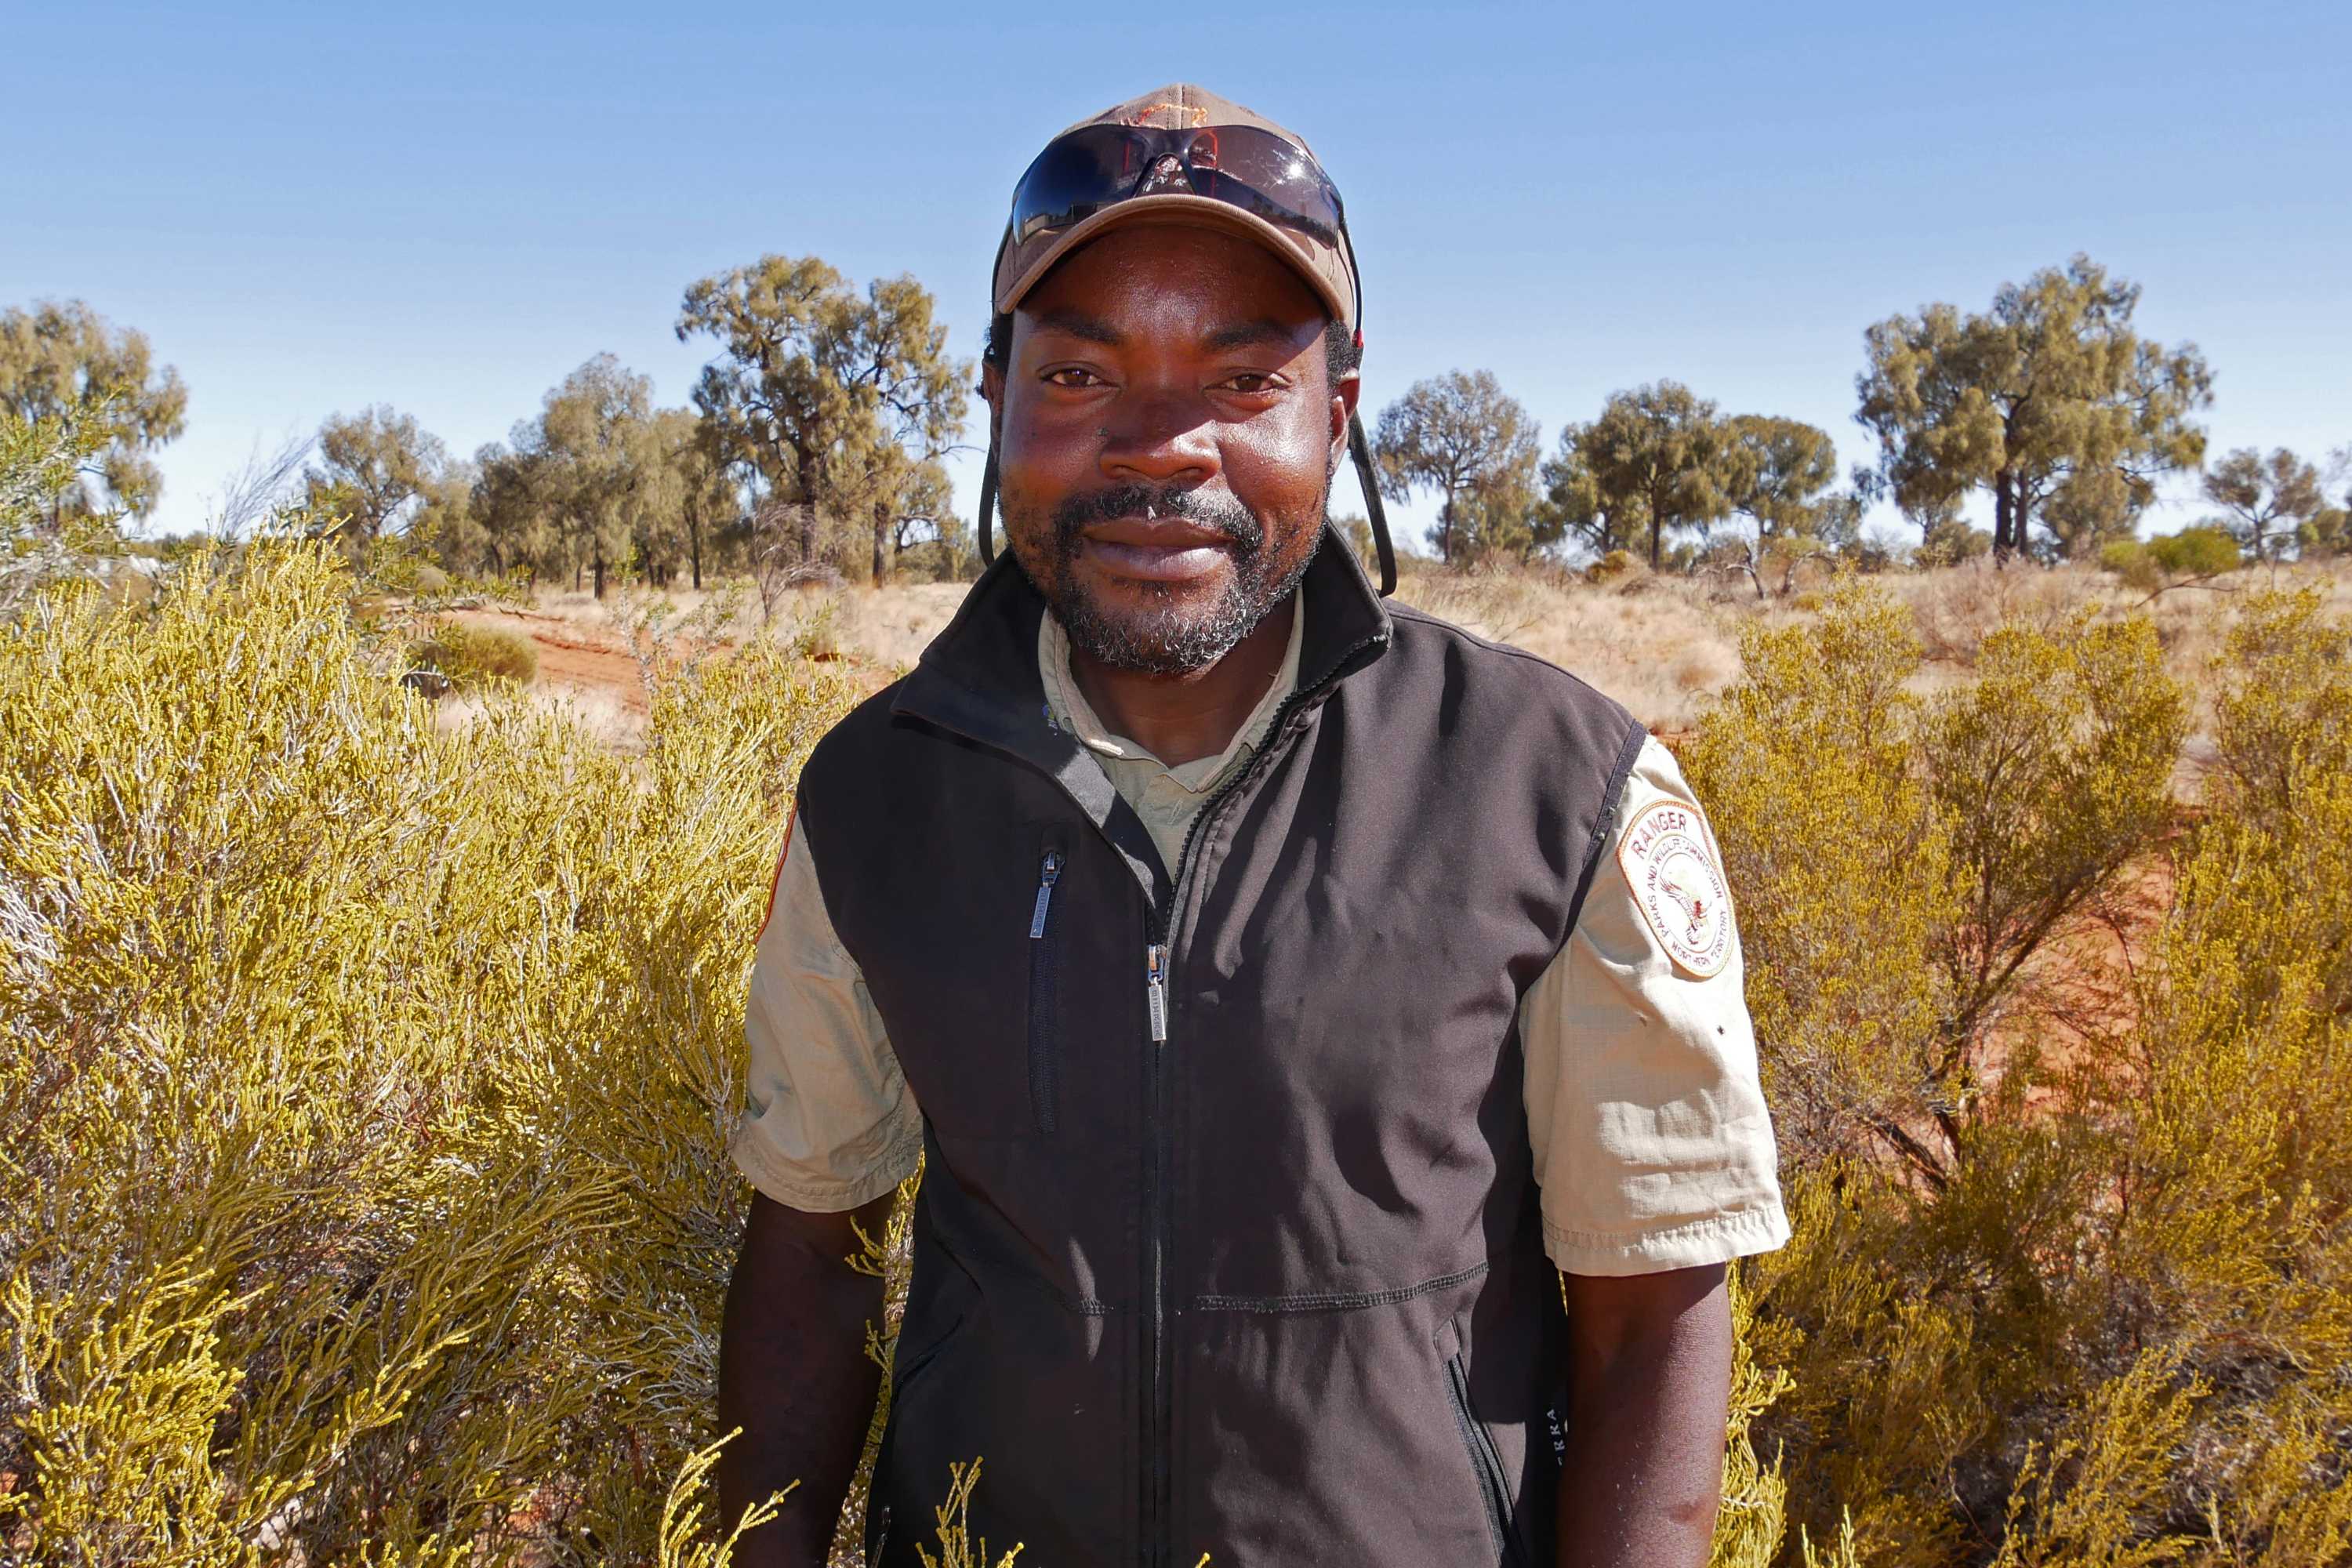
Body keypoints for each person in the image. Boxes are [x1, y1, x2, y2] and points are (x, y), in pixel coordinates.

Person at [717, 84, 1787, 1568]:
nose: (1161, 446)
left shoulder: (1557, 787)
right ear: (997, 401)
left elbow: (1652, 1318)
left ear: (1334, 414)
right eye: (1078, 374)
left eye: (1240, 380)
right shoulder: (875, 796)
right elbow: (809, 1254)